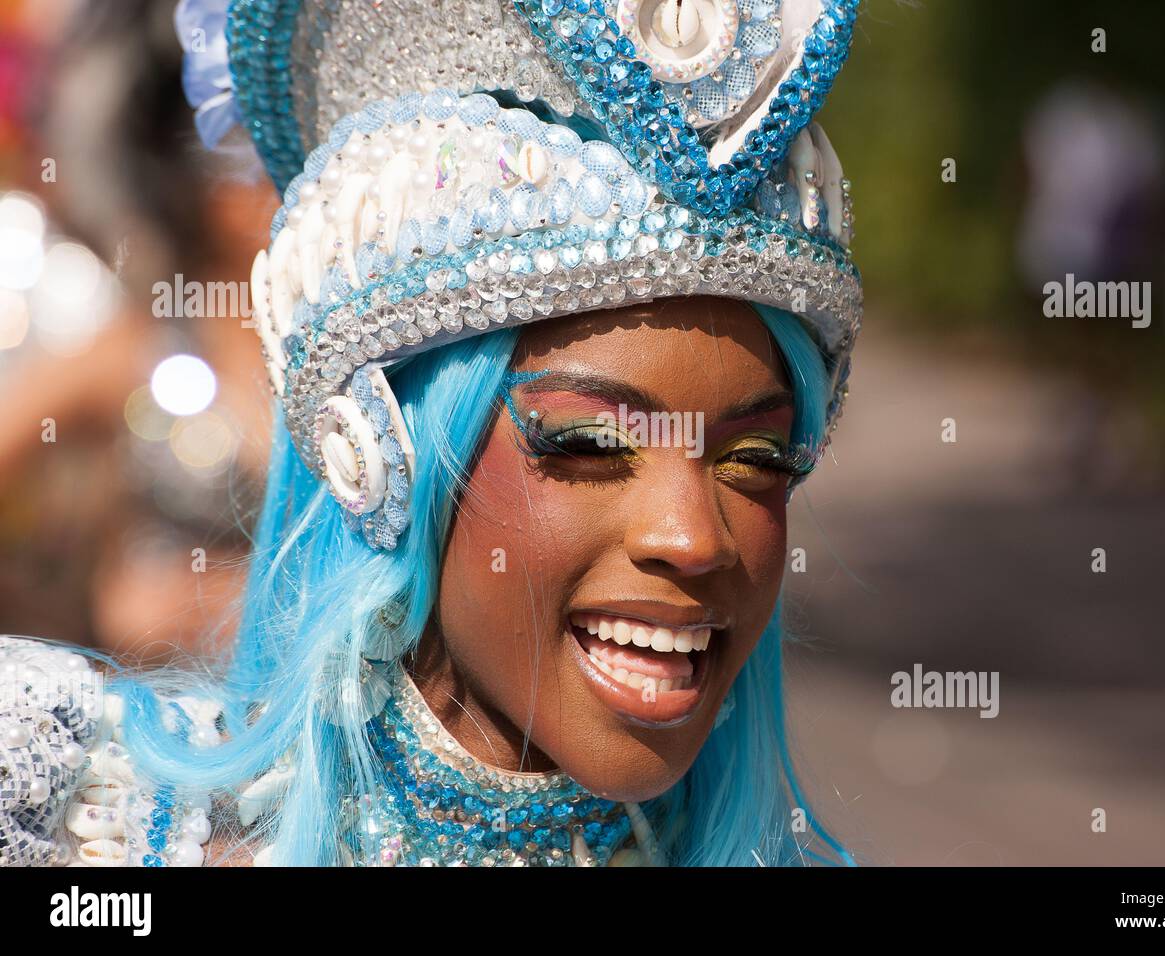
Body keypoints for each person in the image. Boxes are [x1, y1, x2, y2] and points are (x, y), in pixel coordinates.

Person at [0, 0, 863, 867]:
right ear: (380, 459)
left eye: (755, 458)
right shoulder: (72, 808)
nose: (694, 538)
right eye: (590, 445)